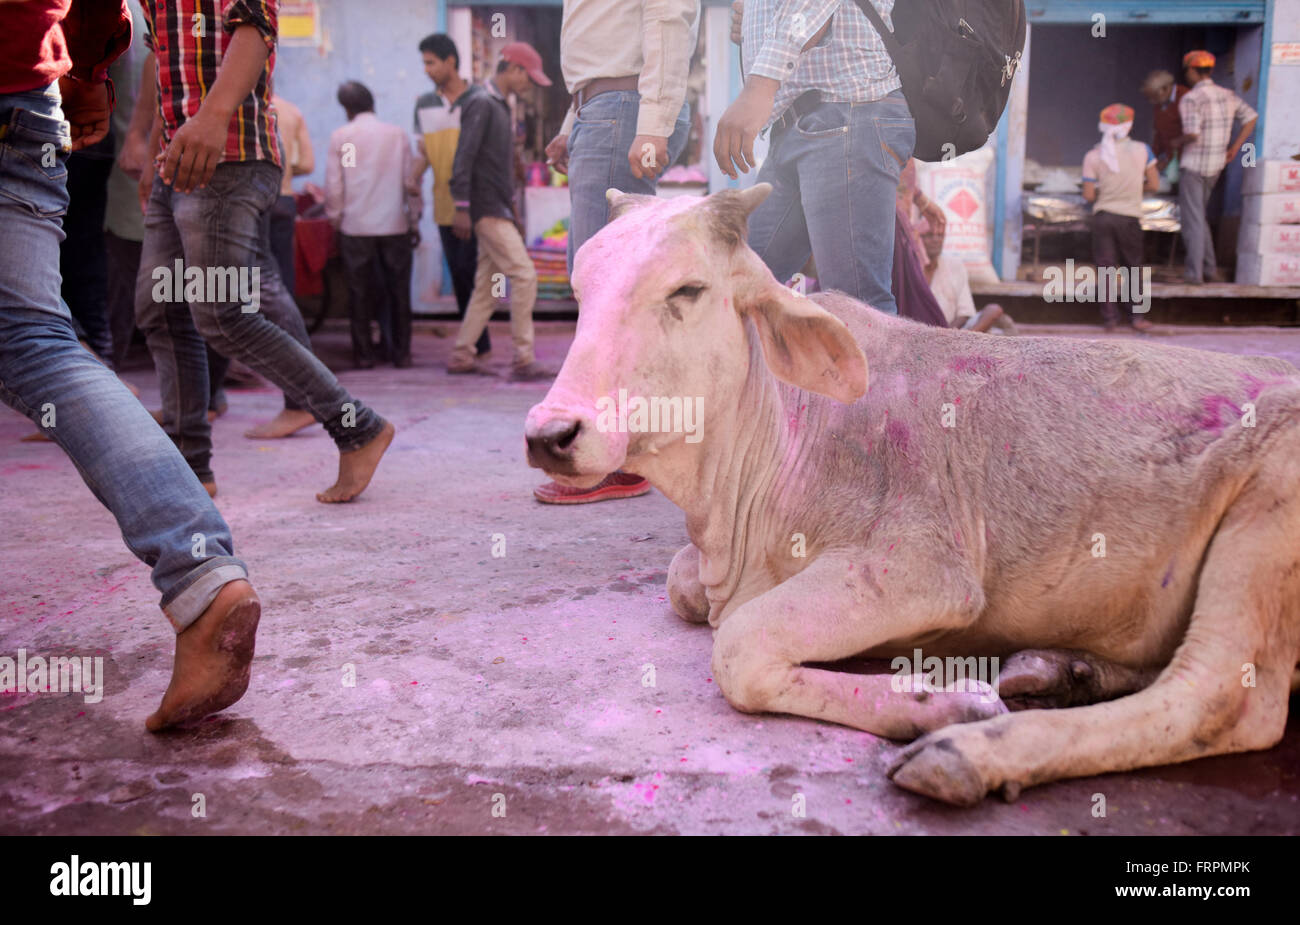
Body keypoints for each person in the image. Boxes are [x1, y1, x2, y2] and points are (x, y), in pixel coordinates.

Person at [0, 0, 262, 732]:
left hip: (67, 108)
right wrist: (84, 78)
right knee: (37, 339)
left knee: (213, 310)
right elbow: (101, 18)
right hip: (30, 101)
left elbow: (253, 25)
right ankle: (201, 571)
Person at [134, 1, 394, 502]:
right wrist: (150, 155)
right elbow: (164, 62)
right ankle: (191, 468)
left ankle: (357, 427)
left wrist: (212, 118)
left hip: (227, 153)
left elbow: (254, 25)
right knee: (162, 309)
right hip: (176, 158)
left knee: (223, 314)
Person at [536, 0, 699, 505]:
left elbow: (669, 20)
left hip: (622, 110)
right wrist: (573, 122)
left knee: (606, 300)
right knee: (602, 291)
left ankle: (616, 458)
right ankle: (630, 451)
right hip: (602, 111)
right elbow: (604, 42)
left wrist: (652, 124)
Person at [718, 0, 914, 316]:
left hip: (847, 110)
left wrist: (759, 85)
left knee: (858, 310)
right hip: (803, 123)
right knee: (736, 287)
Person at [446, 43, 554, 382]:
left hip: (496, 207)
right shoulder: (483, 103)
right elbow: (463, 158)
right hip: (486, 208)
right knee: (524, 276)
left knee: (485, 288)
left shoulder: (497, 105)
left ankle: (463, 354)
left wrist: (513, 213)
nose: (529, 86)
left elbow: (494, 165)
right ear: (515, 69)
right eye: (528, 78)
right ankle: (523, 358)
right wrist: (462, 207)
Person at [325, 80, 420, 369]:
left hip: (357, 226)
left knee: (359, 292)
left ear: (346, 108)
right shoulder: (397, 135)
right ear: (372, 103)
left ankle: (364, 354)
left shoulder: (343, 137)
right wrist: (414, 218)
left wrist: (335, 218)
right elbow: (410, 183)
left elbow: (335, 186)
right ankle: (401, 353)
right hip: (395, 224)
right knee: (399, 291)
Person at [412, 33, 490, 359]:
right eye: (424, 63)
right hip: (444, 203)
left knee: (477, 274)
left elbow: (485, 153)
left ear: (450, 61)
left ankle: (476, 344)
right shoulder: (424, 104)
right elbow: (424, 152)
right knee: (460, 273)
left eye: (431, 62)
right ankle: (475, 343)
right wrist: (411, 182)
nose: (427, 69)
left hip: (476, 204)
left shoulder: (478, 99)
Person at [1172, 50, 1258, 285]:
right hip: (1216, 165)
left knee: (1192, 220)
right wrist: (1236, 147)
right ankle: (1209, 269)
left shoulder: (1191, 98)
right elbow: (1251, 117)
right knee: (1199, 216)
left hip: (1194, 165)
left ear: (1191, 71)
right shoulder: (1228, 95)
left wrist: (1175, 142)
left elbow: (1192, 133)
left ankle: (1194, 273)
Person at [1082, 103, 1158, 332]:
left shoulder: (1093, 155)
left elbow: (1088, 195)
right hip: (1130, 218)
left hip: (1104, 217)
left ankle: (1110, 320)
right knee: (1132, 267)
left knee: (1106, 269)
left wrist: (1106, 192)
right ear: (1129, 125)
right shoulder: (1144, 150)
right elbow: (1154, 184)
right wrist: (1133, 189)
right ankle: (1137, 318)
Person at [1139, 69, 1187, 175]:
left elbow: (1188, 135)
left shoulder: (1186, 97)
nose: (1152, 101)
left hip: (1186, 161)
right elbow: (1159, 135)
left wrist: (1167, 161)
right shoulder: (1160, 103)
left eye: (1153, 96)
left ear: (1165, 89)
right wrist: (1152, 161)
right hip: (1171, 159)